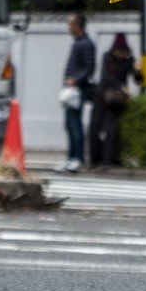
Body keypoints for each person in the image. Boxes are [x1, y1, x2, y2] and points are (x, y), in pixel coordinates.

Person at [88, 34, 140, 168]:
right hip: (102, 95)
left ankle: (109, 159)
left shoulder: (129, 60)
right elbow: (105, 77)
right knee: (95, 127)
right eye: (118, 51)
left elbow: (138, 80)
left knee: (111, 129)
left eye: (123, 52)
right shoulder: (107, 57)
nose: (121, 54)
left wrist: (138, 70)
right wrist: (121, 86)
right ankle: (95, 159)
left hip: (117, 99)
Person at [59, 13, 96, 173]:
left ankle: (77, 158)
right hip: (72, 88)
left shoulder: (86, 44)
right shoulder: (79, 43)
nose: (69, 28)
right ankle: (71, 158)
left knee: (74, 124)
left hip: (78, 89)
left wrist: (75, 79)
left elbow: (90, 67)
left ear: (78, 26)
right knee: (69, 123)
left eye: (71, 25)